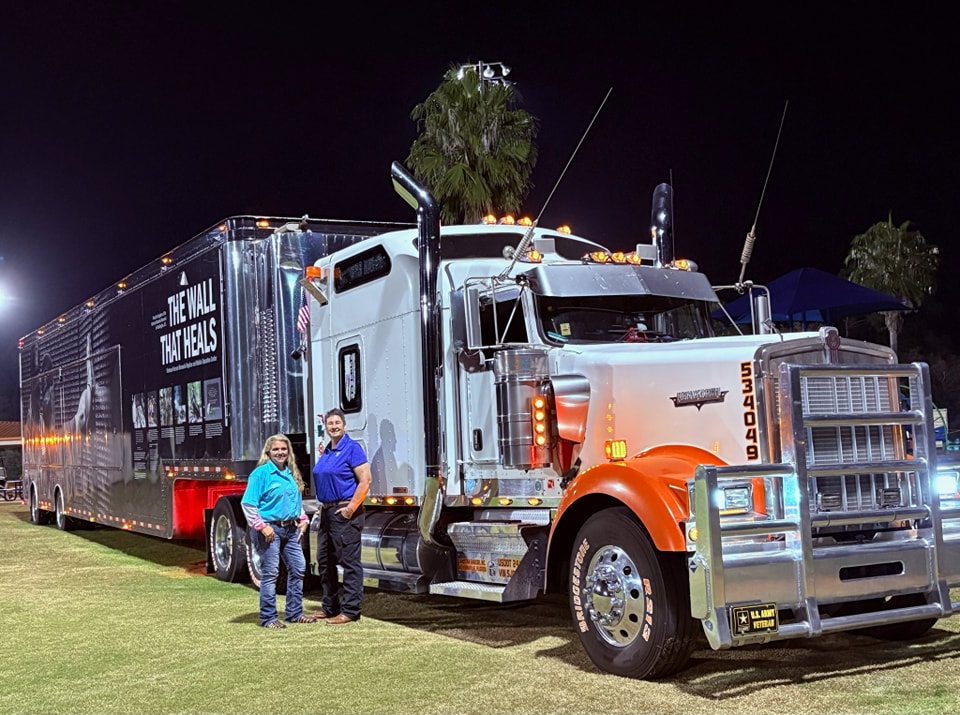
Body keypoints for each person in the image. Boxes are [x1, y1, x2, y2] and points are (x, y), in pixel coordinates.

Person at [241, 434, 319, 629]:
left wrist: (302, 519)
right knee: (271, 574)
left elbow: (293, 501)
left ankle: (294, 613)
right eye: (276, 449)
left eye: (284, 449)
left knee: (299, 568)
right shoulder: (260, 474)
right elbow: (248, 504)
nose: (280, 452)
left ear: (288, 451)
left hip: (291, 530)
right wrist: (262, 527)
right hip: (270, 530)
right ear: (268, 452)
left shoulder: (289, 473)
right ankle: (268, 618)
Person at [311, 408, 371, 625]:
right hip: (327, 512)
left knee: (349, 562)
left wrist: (350, 508)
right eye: (330, 423)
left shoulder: (352, 448)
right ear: (326, 427)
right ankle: (329, 608)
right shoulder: (327, 451)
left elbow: (365, 480)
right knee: (325, 562)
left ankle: (351, 610)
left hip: (345, 512)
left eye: (337, 422)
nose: (333, 426)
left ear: (344, 425)